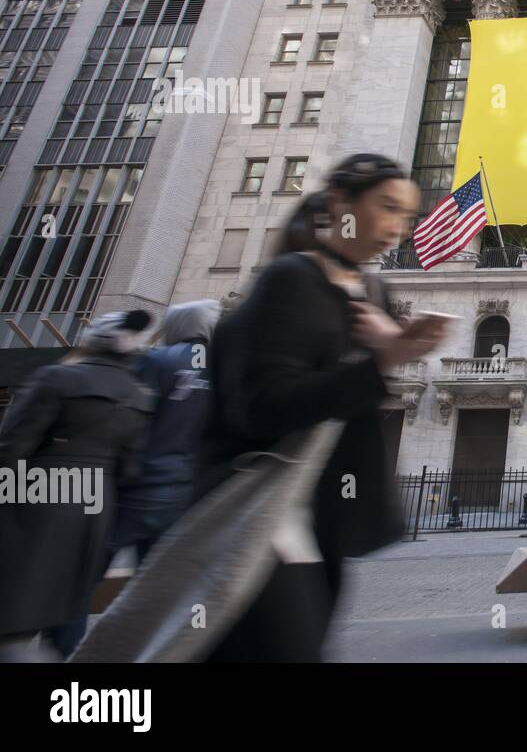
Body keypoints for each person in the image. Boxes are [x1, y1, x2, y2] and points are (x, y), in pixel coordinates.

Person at [198, 154, 448, 661]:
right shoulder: (289, 279)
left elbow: (353, 393)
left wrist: (391, 352)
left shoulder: (372, 287)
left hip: (320, 512)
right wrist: (384, 359)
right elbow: (260, 406)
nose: (398, 228)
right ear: (341, 204)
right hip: (261, 507)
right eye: (387, 208)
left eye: (407, 216)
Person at [0, 310, 156, 659]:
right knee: (69, 603)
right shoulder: (141, 397)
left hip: (40, 498)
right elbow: (130, 468)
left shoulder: (56, 378)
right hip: (97, 505)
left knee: (16, 601)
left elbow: (12, 448)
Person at [107, 300, 222, 567]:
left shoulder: (157, 360)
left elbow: (128, 420)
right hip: (185, 486)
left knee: (86, 571)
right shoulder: (221, 369)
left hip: (140, 481)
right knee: (154, 576)